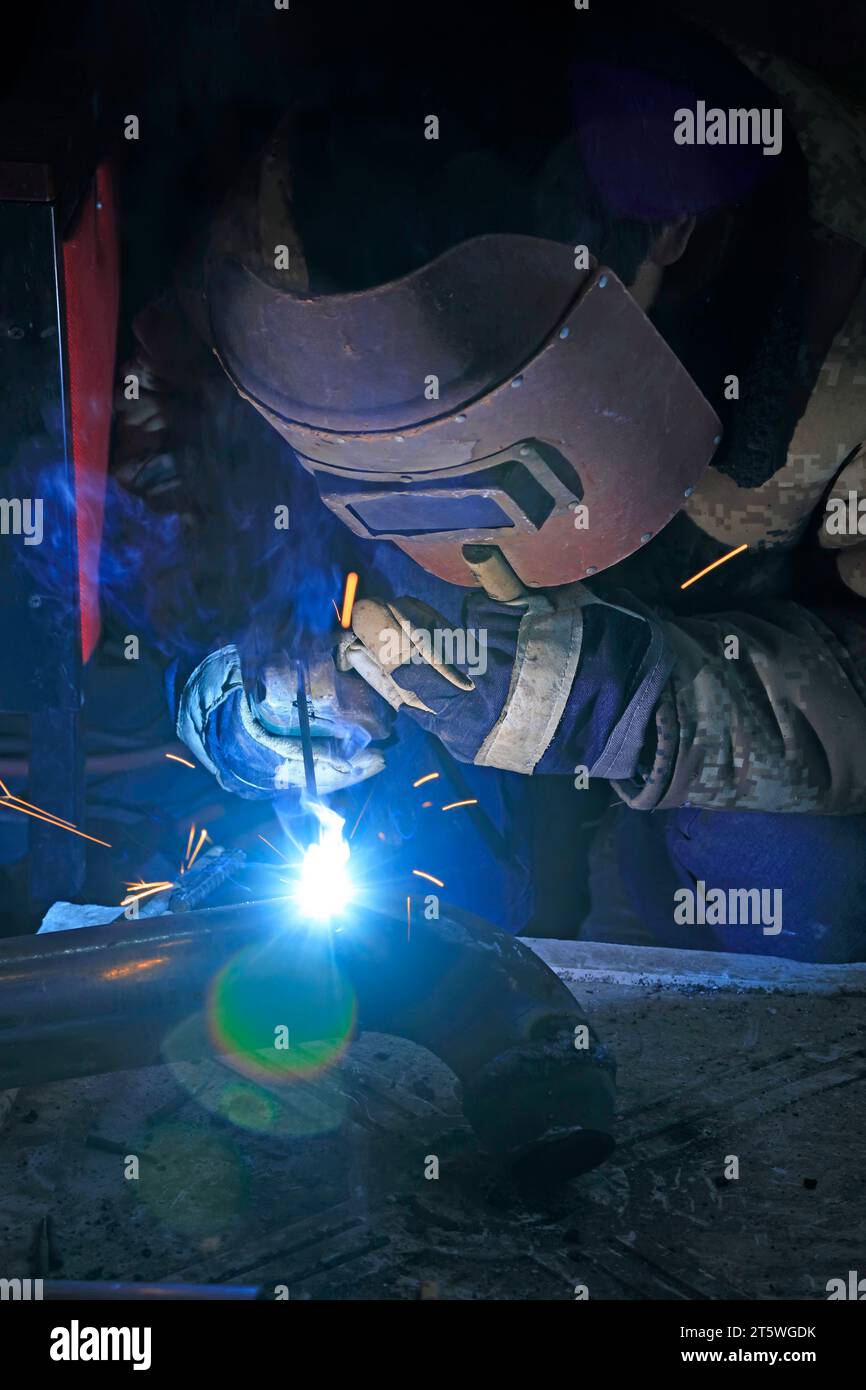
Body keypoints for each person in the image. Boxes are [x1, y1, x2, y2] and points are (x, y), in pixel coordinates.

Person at [111, 11, 866, 959]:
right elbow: (171, 471)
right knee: (426, 914)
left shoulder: (841, 314)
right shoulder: (276, 235)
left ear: (667, 232)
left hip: (700, 735)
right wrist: (243, 673)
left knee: (788, 872)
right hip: (442, 713)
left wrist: (623, 702)